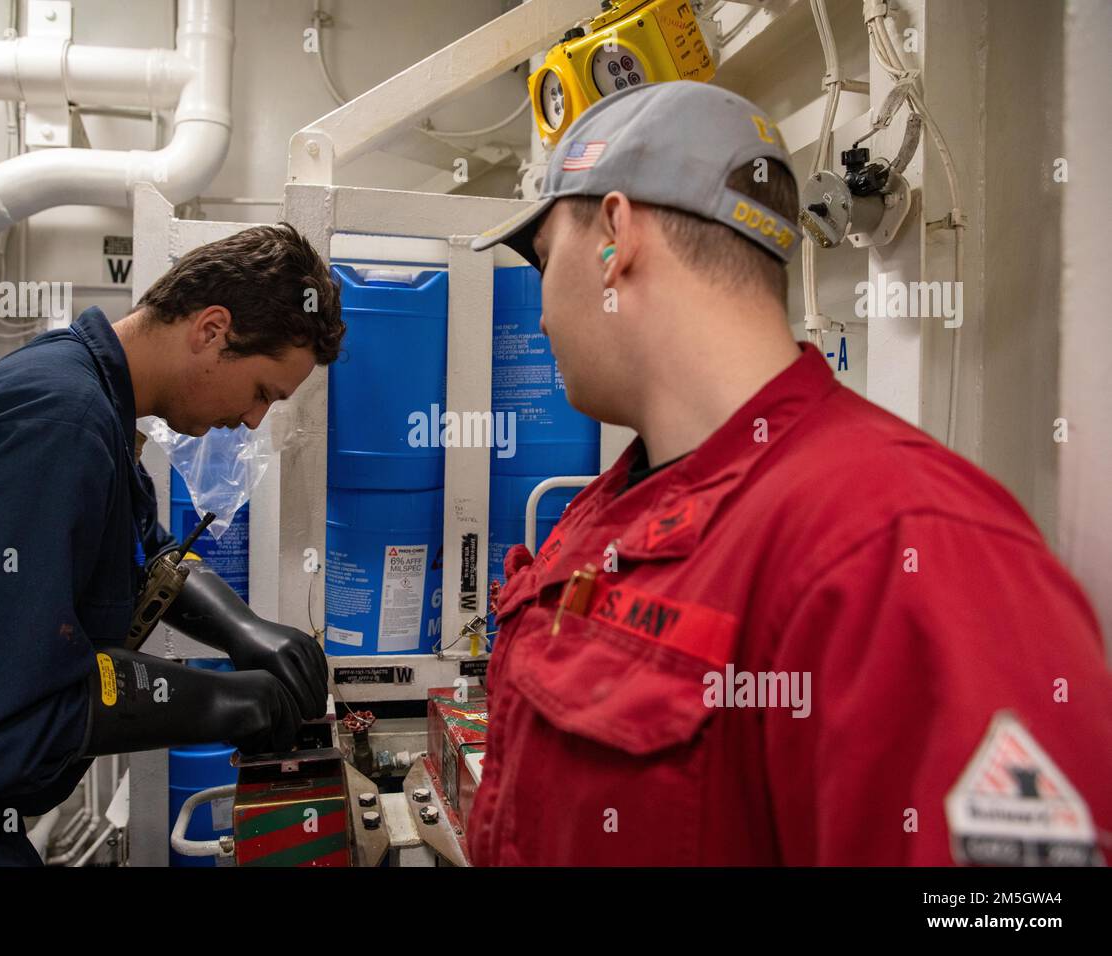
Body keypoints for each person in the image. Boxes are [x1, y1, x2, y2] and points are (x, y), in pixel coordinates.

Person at [466, 81, 1112, 866]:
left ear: (614, 235)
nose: (538, 312)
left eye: (541, 260)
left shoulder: (901, 547)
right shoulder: (617, 508)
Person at [0, 224, 344, 865]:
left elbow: (147, 551)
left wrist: (244, 628)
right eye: (262, 392)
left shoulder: (85, 391)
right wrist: (229, 703)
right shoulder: (59, 424)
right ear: (211, 329)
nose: (255, 419)